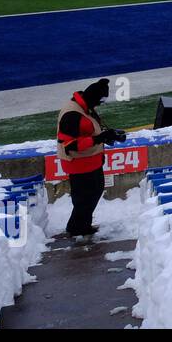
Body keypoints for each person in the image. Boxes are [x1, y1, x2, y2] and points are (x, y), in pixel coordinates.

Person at [57, 78, 125, 238]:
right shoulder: (72, 114)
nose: (99, 105)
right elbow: (70, 145)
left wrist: (107, 135)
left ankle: (83, 225)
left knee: (94, 191)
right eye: (99, 101)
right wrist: (99, 139)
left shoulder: (84, 106)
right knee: (83, 198)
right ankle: (76, 229)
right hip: (79, 165)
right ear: (93, 98)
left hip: (90, 162)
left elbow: (89, 132)